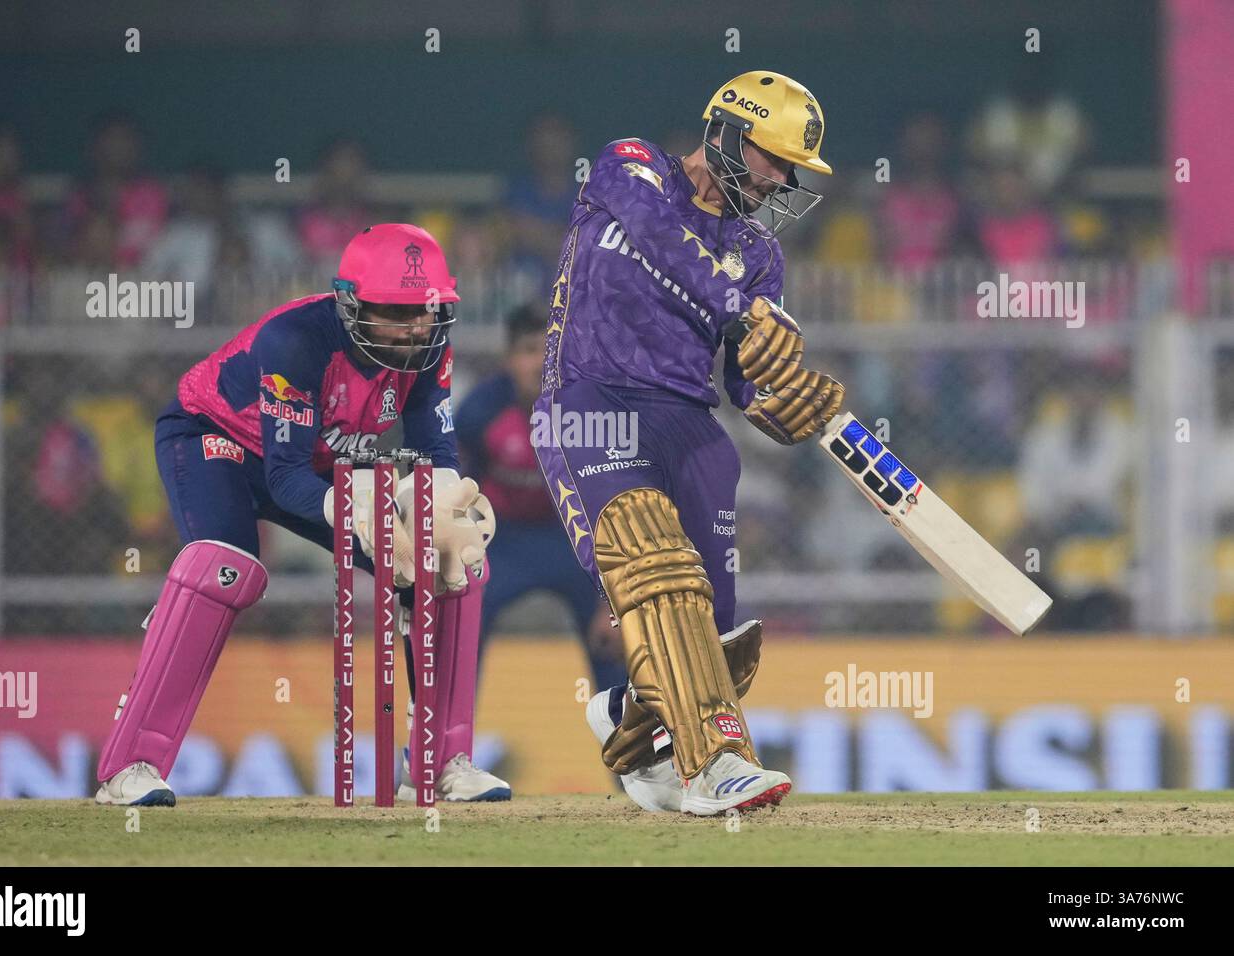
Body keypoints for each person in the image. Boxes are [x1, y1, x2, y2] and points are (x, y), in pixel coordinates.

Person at [94, 223, 507, 806]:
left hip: (314, 464)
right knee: (225, 569)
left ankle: (443, 763)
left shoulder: (427, 348)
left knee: (449, 561)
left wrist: (434, 516)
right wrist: (360, 507)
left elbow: (438, 458)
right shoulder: (296, 341)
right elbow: (285, 479)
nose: (417, 326)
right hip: (217, 441)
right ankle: (129, 766)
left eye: (427, 309)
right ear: (350, 303)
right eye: (398, 310)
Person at [535, 71, 845, 815]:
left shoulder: (759, 253)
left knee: (720, 634)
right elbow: (656, 236)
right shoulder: (631, 166)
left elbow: (745, 380)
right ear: (725, 132)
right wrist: (741, 312)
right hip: (591, 401)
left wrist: (780, 395)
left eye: (790, 170)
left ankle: (631, 720)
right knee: (655, 564)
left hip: (690, 426)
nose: (779, 181)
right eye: (771, 158)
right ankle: (719, 762)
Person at [456, 306, 625, 690]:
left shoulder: (593, 412)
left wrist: (613, 604)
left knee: (617, 641)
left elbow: (613, 507)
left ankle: (631, 741)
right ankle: (451, 743)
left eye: (554, 350)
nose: (542, 362)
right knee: (459, 632)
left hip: (574, 543)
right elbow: (457, 493)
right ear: (509, 359)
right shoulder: (479, 413)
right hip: (502, 541)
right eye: (531, 350)